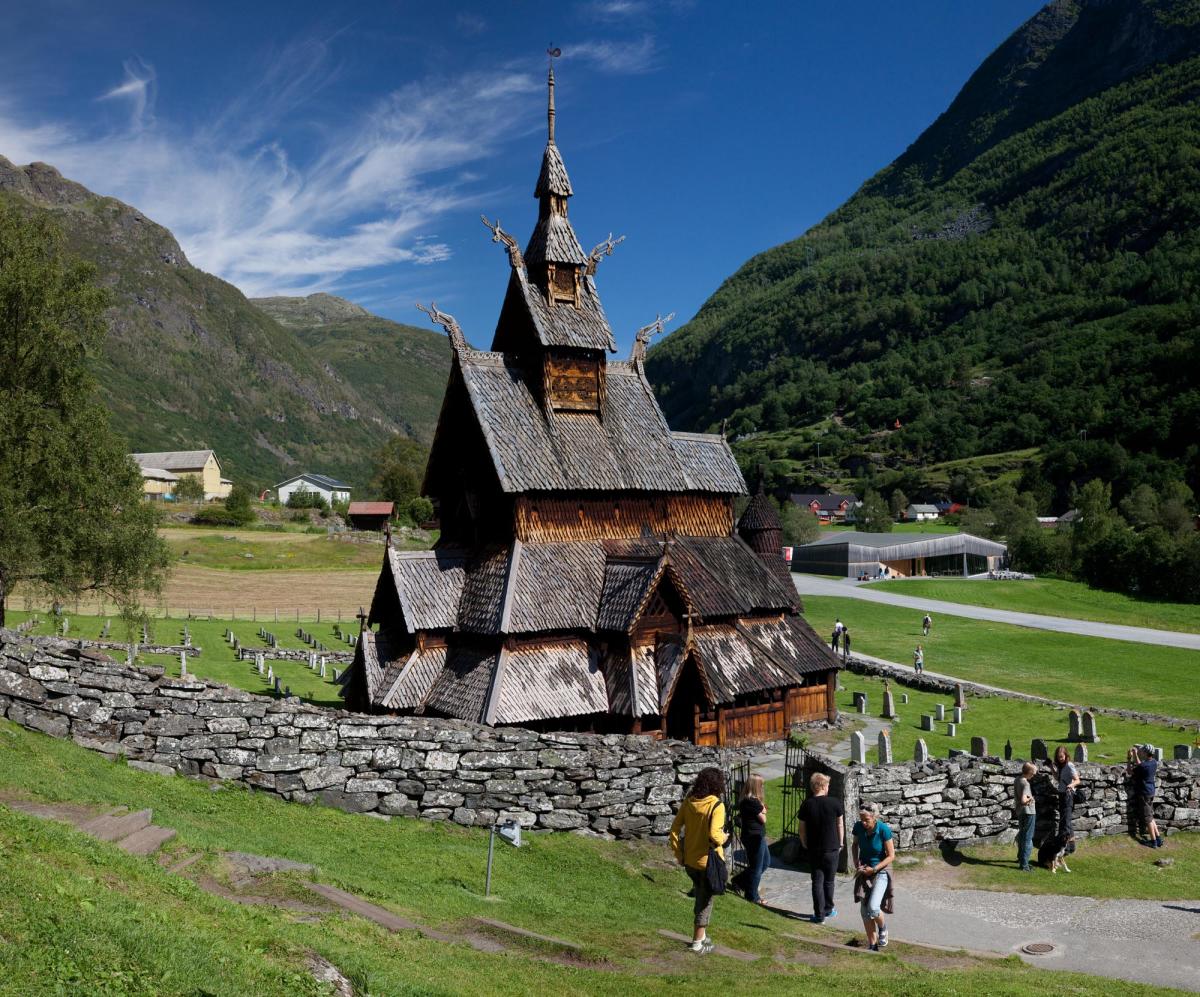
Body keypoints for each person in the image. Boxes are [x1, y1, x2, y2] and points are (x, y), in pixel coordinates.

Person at [669, 767, 728, 954]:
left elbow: (675, 829)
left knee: (702, 895)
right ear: (717, 785)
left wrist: (679, 854)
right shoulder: (717, 806)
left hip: (690, 861)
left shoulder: (689, 802)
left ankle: (702, 936)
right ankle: (696, 944)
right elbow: (715, 835)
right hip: (708, 863)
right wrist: (724, 838)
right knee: (705, 901)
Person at [798, 772, 844, 924]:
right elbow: (840, 824)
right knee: (829, 881)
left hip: (814, 848)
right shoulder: (835, 803)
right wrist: (841, 841)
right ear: (823, 786)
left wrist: (804, 843)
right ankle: (829, 909)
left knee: (817, 880)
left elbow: (802, 828)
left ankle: (819, 915)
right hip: (832, 847)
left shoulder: (806, 804)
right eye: (828, 785)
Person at [851, 801, 895, 951]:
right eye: (861, 819)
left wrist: (874, 868)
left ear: (874, 817)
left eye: (866, 820)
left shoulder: (883, 830)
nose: (863, 822)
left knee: (873, 907)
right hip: (864, 871)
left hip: (881, 870)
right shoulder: (858, 827)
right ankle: (872, 945)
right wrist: (856, 862)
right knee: (864, 911)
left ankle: (883, 928)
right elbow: (855, 844)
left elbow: (891, 856)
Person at [734, 775, 770, 903]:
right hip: (753, 837)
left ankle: (739, 881)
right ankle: (752, 896)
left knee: (765, 862)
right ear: (756, 786)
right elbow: (763, 819)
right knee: (757, 867)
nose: (763, 787)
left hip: (757, 836)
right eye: (761, 785)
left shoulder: (750, 801)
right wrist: (763, 810)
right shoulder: (751, 801)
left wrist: (762, 808)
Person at [1127, 746, 1163, 848]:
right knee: (1150, 815)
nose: (1140, 751)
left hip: (1144, 793)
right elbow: (1140, 765)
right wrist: (1135, 754)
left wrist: (1129, 759)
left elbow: (1130, 771)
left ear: (1146, 753)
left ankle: (1153, 842)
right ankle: (1158, 839)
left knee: (1148, 818)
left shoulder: (1143, 766)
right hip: (1151, 791)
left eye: (1142, 751)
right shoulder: (1154, 762)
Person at [1013, 761, 1037, 871]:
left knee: (1022, 836)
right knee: (1028, 838)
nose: (1034, 775)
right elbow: (1023, 800)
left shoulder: (1017, 780)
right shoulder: (1026, 784)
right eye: (1034, 772)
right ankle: (1025, 865)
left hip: (1020, 812)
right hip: (1028, 812)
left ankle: (1020, 858)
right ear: (1029, 772)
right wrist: (1030, 799)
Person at [1053, 746, 1080, 837]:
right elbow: (1058, 778)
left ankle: (1068, 846)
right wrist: (1051, 768)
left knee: (1066, 821)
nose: (1060, 758)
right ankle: (1068, 845)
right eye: (1058, 757)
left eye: (1061, 756)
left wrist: (1071, 785)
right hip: (1061, 794)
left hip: (1068, 795)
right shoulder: (1061, 766)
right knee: (1064, 820)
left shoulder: (1069, 765)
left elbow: (1077, 780)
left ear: (1066, 755)